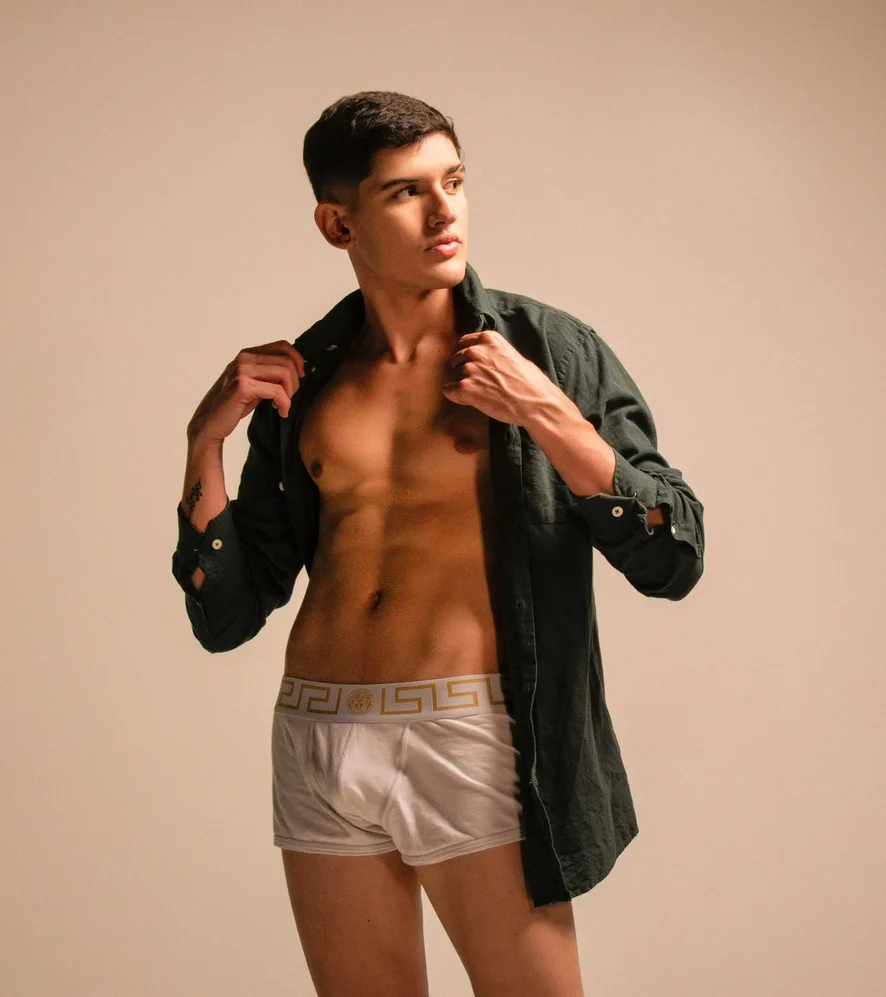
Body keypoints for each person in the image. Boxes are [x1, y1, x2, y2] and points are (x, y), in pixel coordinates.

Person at [171, 90, 705, 997]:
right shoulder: (309, 377)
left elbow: (675, 553)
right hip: (317, 733)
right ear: (338, 223)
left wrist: (544, 411)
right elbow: (226, 614)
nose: (443, 210)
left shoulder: (547, 350)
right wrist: (204, 442)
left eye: (453, 181)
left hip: (469, 731)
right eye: (406, 192)